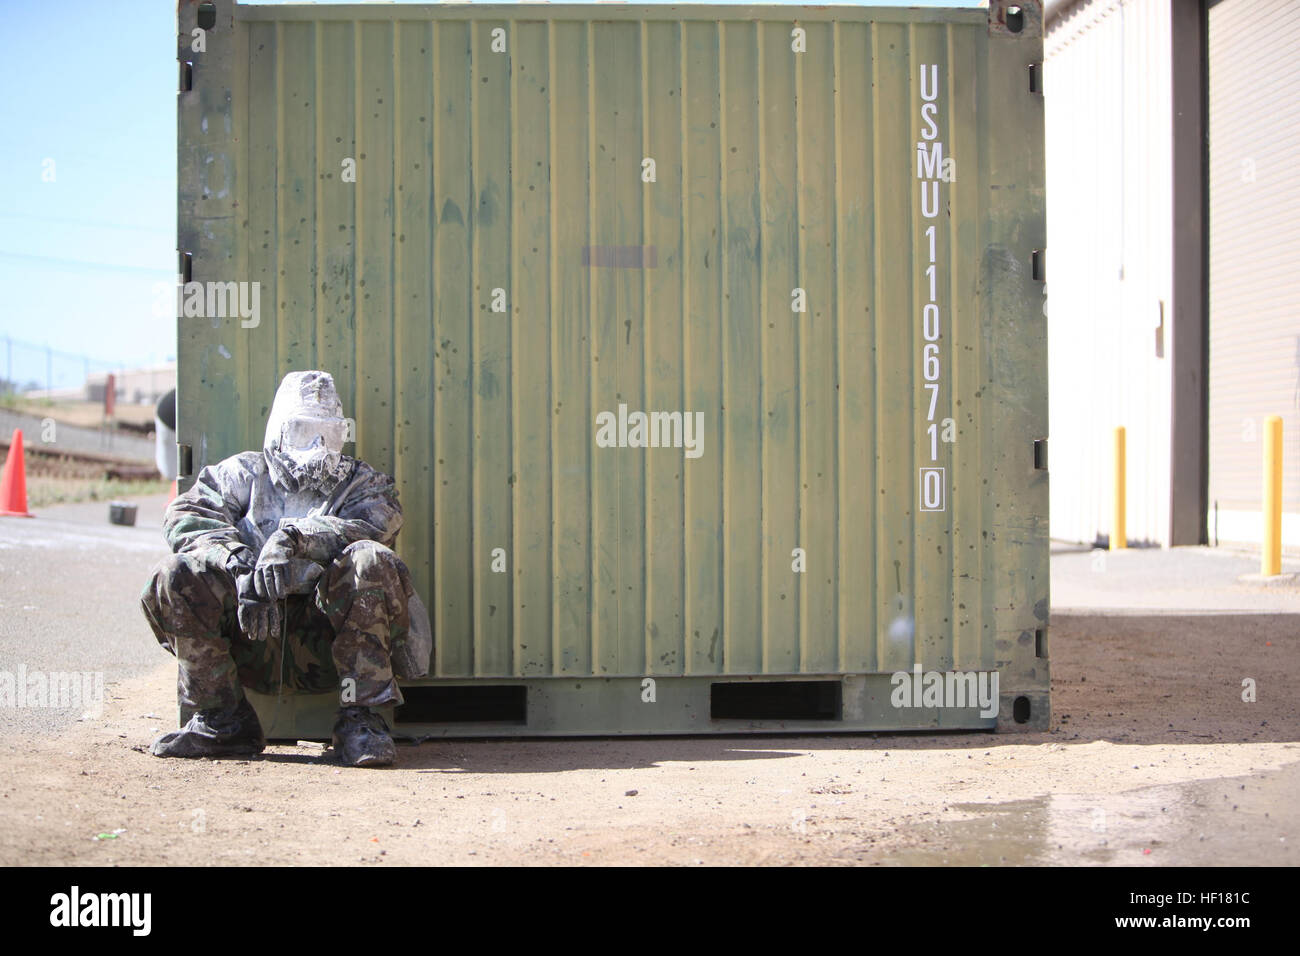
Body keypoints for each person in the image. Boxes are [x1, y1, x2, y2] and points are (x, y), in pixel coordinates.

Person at [140, 370, 431, 767]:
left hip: (329, 649)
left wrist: (296, 539)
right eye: (302, 430)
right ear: (278, 430)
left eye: (326, 432)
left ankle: (361, 721)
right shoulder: (243, 474)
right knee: (175, 574)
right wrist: (238, 563)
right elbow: (186, 516)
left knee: (370, 560)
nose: (316, 444)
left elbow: (376, 524)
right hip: (251, 636)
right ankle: (222, 720)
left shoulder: (363, 484)